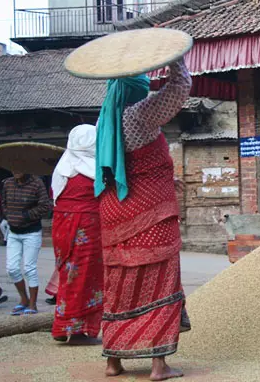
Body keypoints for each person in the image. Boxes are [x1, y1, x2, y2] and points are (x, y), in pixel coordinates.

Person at [96, 59, 191, 380]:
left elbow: (132, 168)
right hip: (149, 216)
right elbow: (180, 89)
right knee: (159, 281)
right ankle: (158, 365)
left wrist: (165, 177)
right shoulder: (139, 114)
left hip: (114, 215)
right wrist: (176, 58)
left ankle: (113, 362)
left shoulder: (104, 122)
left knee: (119, 286)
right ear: (136, 90)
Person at [50, 124, 103, 343]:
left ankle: (62, 327)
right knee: (85, 279)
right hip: (86, 228)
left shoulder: (63, 167)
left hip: (62, 227)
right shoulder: (93, 168)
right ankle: (78, 330)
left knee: (68, 276)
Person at [2, 171, 51, 315]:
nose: (17, 171)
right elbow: (4, 203)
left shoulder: (37, 183)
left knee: (29, 268)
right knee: (12, 268)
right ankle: (23, 299)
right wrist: (10, 215)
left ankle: (32, 304)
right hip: (13, 232)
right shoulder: (8, 183)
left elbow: (45, 206)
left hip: (31, 232)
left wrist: (26, 216)